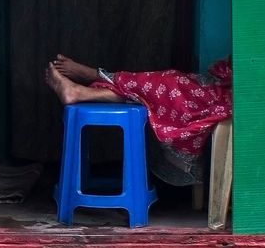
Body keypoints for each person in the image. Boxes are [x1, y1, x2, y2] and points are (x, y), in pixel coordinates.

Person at [44, 54, 233, 185]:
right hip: (225, 90)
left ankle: (90, 81)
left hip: (233, 100)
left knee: (171, 83)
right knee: (161, 92)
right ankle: (82, 90)